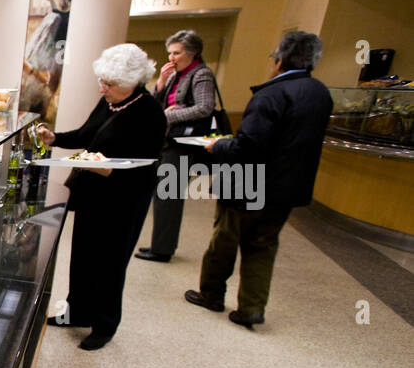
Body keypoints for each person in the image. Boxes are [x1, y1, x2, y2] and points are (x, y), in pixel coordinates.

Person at [184, 31, 332, 328]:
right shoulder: (320, 93)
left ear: (280, 60)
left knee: (224, 241)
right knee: (263, 245)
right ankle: (252, 307)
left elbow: (247, 147)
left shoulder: (271, 94)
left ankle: (211, 294)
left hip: (248, 183)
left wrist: (218, 146)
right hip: (287, 187)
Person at [36, 44, 167, 350]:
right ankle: (77, 312)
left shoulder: (150, 113)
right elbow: (86, 135)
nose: (102, 89)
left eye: (110, 84)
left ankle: (105, 324)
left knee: (110, 262)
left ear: (133, 81)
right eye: (102, 82)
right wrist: (55, 138)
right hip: (93, 193)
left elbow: (146, 168)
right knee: (82, 255)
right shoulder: (109, 102)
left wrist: (106, 169)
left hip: (124, 200)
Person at [136, 30, 218, 262]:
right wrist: (161, 82)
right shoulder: (175, 75)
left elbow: (205, 107)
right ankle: (160, 244)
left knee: (169, 195)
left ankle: (162, 249)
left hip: (183, 144)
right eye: (170, 53)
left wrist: (169, 115)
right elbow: (154, 104)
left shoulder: (201, 74)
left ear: (192, 53)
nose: (171, 58)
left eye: (177, 53)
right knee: (163, 194)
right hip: (168, 142)